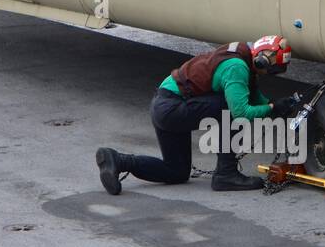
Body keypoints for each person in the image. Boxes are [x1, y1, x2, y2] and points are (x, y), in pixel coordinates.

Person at [95, 36, 302, 194]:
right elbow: (241, 111)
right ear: (261, 60)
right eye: (273, 70)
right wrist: (272, 109)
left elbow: (253, 95)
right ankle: (226, 174)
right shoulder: (238, 67)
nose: (270, 75)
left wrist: (275, 105)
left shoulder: (241, 57)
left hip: (165, 104)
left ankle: (119, 161)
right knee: (228, 106)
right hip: (171, 107)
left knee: (176, 171)